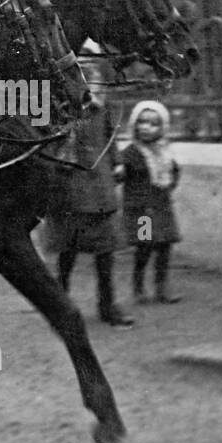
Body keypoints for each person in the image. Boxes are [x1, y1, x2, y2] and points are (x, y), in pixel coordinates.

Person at [44, 76, 133, 329]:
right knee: (67, 254)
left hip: (100, 191)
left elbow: (110, 139)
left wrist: (117, 163)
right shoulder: (56, 110)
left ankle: (108, 306)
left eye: (92, 81)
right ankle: (59, 307)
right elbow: (45, 143)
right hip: (69, 191)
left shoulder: (101, 111)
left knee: (105, 253)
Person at [118, 100, 182, 305]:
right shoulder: (130, 153)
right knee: (144, 247)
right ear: (134, 124)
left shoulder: (164, 153)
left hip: (162, 208)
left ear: (162, 128)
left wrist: (168, 186)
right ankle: (138, 287)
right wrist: (119, 172)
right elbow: (120, 174)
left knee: (164, 246)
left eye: (153, 124)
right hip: (142, 212)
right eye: (142, 122)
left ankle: (162, 287)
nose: (146, 127)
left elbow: (174, 171)